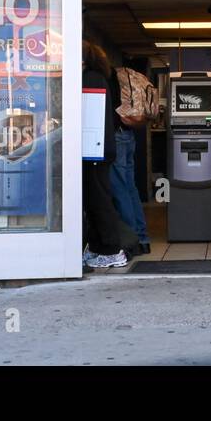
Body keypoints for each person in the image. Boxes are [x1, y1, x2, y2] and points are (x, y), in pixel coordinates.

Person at [82, 41, 129, 269]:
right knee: (95, 199)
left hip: (94, 149)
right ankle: (97, 247)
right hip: (99, 147)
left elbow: (89, 115)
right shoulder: (101, 76)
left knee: (99, 200)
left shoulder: (90, 79)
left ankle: (111, 249)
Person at [109, 70, 151, 255]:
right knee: (130, 188)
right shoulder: (121, 75)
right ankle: (142, 239)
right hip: (128, 135)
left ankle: (131, 240)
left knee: (120, 189)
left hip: (115, 136)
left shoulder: (105, 78)